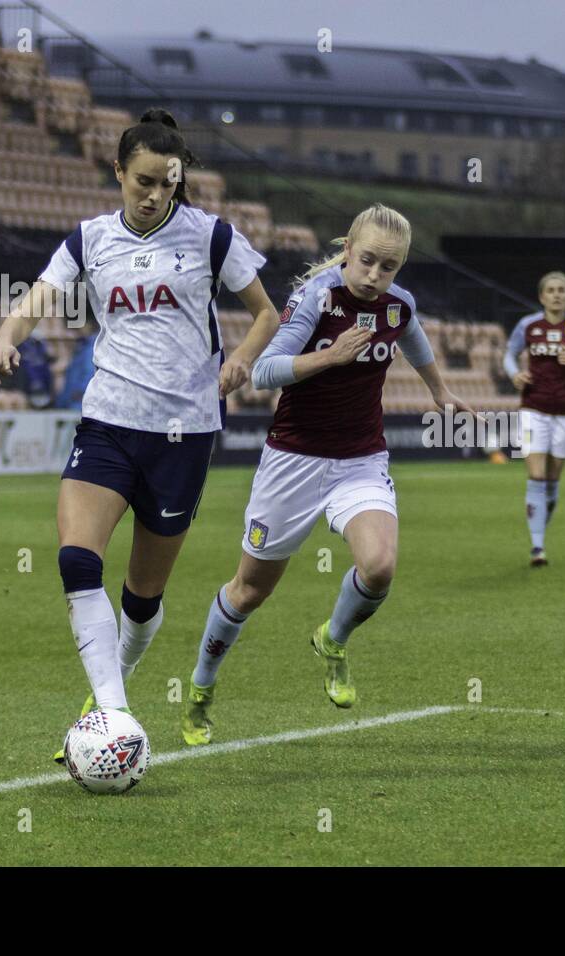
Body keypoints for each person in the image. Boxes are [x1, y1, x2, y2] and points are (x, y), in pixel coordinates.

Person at [0, 108, 280, 760]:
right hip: (108, 422)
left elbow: (266, 312)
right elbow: (40, 296)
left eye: (166, 184)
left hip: (184, 435)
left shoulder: (210, 237)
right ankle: (115, 716)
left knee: (141, 602)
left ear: (179, 183)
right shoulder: (90, 239)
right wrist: (8, 335)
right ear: (118, 171)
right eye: (141, 180)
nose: (152, 194)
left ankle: (109, 696)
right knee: (75, 558)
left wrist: (241, 360)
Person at [180, 203, 472, 744]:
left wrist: (439, 390)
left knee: (380, 567)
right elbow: (264, 372)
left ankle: (333, 640)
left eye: (388, 268)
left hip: (360, 459)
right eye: (366, 262)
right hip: (292, 461)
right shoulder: (316, 298)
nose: (374, 276)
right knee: (248, 592)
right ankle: (200, 689)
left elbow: (411, 334)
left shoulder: (397, 305)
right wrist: (330, 357)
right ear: (348, 250)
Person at [502, 271, 565, 566]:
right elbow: (509, 354)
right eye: (552, 290)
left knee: (553, 481)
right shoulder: (528, 325)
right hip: (533, 408)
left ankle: (539, 529)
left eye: (562, 290)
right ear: (542, 296)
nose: (557, 295)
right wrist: (514, 374)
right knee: (537, 476)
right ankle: (537, 547)